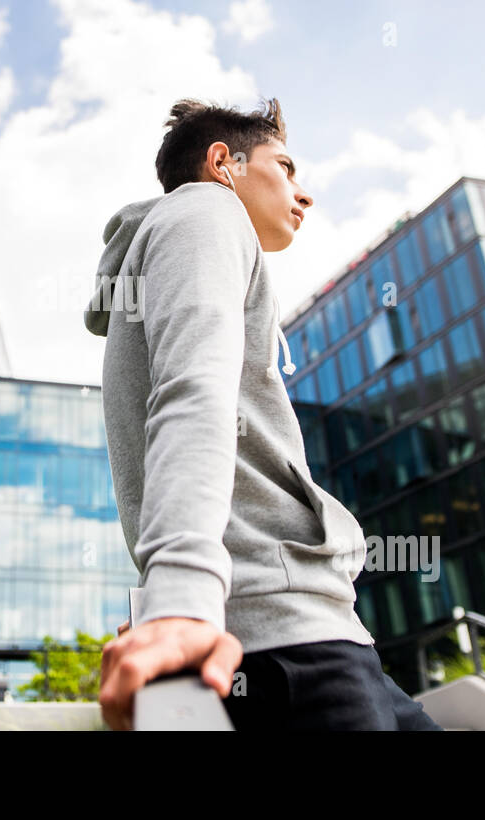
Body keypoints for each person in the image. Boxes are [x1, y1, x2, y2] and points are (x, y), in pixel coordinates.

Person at [84, 97, 441, 731]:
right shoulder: (205, 210)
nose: (303, 195)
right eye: (286, 167)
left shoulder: (173, 244)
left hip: (299, 629)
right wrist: (181, 600)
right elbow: (192, 397)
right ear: (225, 162)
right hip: (279, 644)